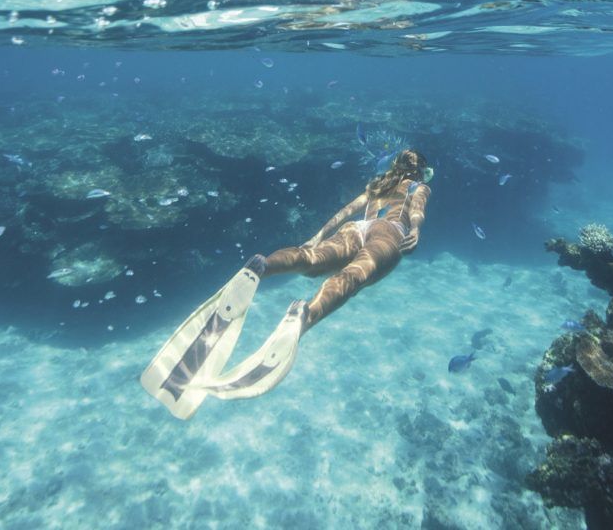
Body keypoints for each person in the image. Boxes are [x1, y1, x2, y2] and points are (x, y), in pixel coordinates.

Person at [141, 149, 432, 419]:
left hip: (357, 228)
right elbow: (417, 208)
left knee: (311, 259)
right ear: (420, 172)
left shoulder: (378, 185)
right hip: (389, 232)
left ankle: (262, 267)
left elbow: (345, 212)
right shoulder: (418, 187)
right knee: (353, 277)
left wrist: (318, 235)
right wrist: (416, 229)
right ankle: (306, 315)